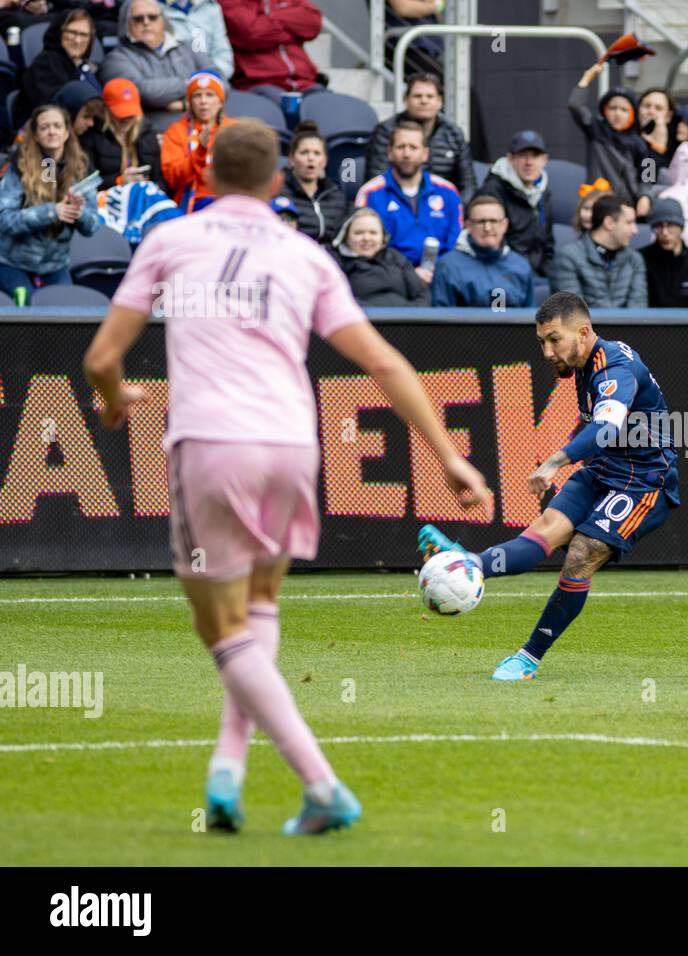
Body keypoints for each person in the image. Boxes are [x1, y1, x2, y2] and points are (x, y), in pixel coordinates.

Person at [82, 119, 489, 835]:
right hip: (291, 448)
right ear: (277, 185)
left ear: (204, 180)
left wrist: (116, 402)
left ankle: (322, 784)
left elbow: (100, 358)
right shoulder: (306, 255)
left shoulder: (172, 239)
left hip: (213, 444)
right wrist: (448, 455)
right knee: (258, 610)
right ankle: (227, 773)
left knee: (221, 631)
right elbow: (386, 362)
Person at [415, 291, 680, 681]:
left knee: (580, 553)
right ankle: (470, 563)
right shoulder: (589, 362)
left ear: (583, 332)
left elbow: (606, 429)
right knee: (543, 532)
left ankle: (528, 658)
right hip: (602, 470)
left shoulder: (614, 368)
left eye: (555, 339)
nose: (547, 351)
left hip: (645, 482)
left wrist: (555, 461)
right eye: (541, 342)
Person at [0, 105, 100, 297]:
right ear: (36, 135)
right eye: (44, 127)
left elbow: (92, 226)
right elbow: (4, 220)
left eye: (57, 126)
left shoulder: (80, 168)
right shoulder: (18, 166)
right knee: (27, 304)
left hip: (54, 264)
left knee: (64, 312)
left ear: (66, 132)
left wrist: (79, 213)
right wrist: (51, 212)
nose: (52, 131)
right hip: (12, 261)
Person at [355, 119, 463, 270]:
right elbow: (363, 246)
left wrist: (435, 271)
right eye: (401, 147)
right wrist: (409, 274)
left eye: (413, 147)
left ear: (425, 153)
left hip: (439, 275)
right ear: (390, 152)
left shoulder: (448, 191)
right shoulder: (370, 193)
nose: (407, 154)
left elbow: (455, 243)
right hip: (390, 276)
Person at [101, 0, 219, 135]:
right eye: (138, 19)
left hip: (204, 131)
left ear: (163, 20)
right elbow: (143, 91)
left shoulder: (189, 47)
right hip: (155, 136)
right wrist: (193, 84)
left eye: (152, 17)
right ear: (126, 24)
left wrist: (185, 105)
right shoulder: (116, 59)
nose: (146, 22)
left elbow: (220, 82)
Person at [569, 60, 657, 219]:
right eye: (613, 108)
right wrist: (587, 77)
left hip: (628, 208)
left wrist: (646, 196)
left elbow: (648, 175)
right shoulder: (595, 130)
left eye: (624, 109)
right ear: (604, 110)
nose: (618, 114)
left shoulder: (641, 144)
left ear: (633, 114)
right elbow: (575, 105)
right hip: (598, 204)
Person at [363, 73, 474, 196]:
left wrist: (455, 209)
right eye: (417, 96)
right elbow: (377, 180)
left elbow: (468, 185)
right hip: (396, 206)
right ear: (406, 99)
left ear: (440, 101)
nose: (424, 101)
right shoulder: (386, 131)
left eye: (430, 96)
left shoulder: (454, 133)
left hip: (444, 208)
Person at [429, 194, 535, 308]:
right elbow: (441, 320)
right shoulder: (448, 266)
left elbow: (532, 318)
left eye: (493, 221)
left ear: (504, 225)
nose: (487, 228)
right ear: (468, 225)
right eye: (481, 222)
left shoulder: (520, 266)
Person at [474, 129, 554, 277]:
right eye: (522, 156)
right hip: (505, 273)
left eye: (535, 156)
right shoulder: (492, 190)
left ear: (544, 160)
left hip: (537, 274)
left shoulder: (543, 190)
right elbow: (491, 245)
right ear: (510, 159)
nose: (529, 163)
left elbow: (548, 244)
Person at [549, 193, 647, 308]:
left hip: (627, 326)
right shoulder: (568, 257)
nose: (635, 231)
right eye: (629, 223)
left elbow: (638, 311)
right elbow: (572, 314)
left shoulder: (634, 260)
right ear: (609, 223)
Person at [161, 69, 236, 213]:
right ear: (189, 103)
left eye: (210, 95)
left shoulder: (234, 130)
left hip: (232, 198)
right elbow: (173, 178)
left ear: (221, 101)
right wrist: (199, 151)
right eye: (197, 95)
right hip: (195, 201)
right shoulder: (177, 131)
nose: (203, 101)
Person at [330, 208, 430, 307]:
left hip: (407, 320)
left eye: (373, 233)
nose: (366, 238)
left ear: (383, 236)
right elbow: (338, 301)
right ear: (346, 237)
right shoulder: (335, 264)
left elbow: (422, 295)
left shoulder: (396, 258)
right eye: (359, 233)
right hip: (362, 320)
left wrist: (408, 315)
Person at [219, 0, 321, 94]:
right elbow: (252, 34)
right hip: (259, 84)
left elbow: (313, 24)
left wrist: (269, 17)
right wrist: (292, 32)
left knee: (329, 106)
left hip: (306, 82)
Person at [19, 8, 100, 124]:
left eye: (84, 35)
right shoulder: (45, 65)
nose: (77, 40)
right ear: (59, 32)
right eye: (72, 32)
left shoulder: (85, 68)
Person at [79, 77, 164, 187]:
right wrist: (119, 181)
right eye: (121, 114)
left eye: (131, 114)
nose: (127, 119)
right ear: (106, 109)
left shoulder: (147, 133)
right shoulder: (92, 136)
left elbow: (160, 180)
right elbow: (88, 183)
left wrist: (149, 186)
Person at [278, 121, 347, 244]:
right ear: (291, 159)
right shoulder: (278, 193)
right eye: (304, 152)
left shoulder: (335, 195)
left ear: (325, 161)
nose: (311, 158)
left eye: (317, 153)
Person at [640, 197, 688, 307]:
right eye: (658, 226)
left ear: (681, 227)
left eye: (670, 225)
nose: (665, 232)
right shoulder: (643, 258)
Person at [158, 0, 233, 79]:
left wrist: (212, 78)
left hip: (211, 82)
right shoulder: (151, 10)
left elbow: (222, 54)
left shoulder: (210, 6)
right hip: (174, 85)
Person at [638, 86, 679, 184]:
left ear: (668, 116)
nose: (651, 112)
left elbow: (649, 180)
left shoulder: (678, 142)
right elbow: (647, 180)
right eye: (647, 106)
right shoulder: (629, 138)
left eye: (658, 108)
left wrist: (657, 149)